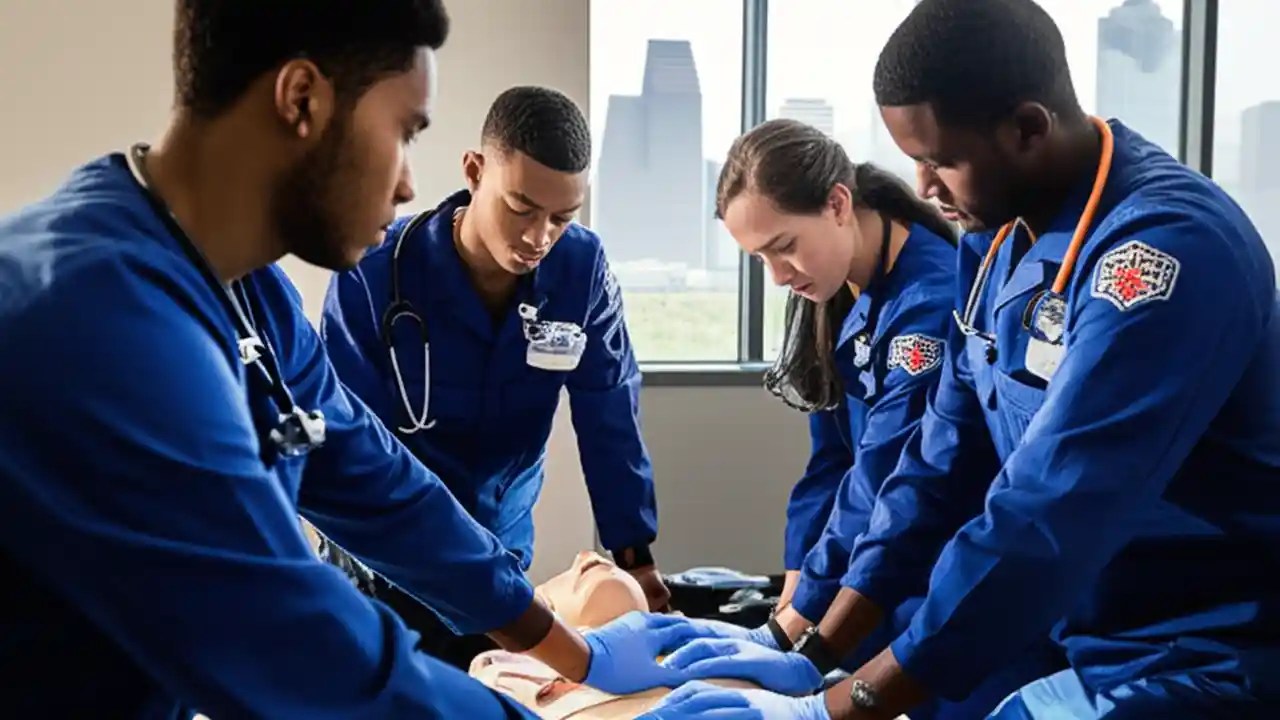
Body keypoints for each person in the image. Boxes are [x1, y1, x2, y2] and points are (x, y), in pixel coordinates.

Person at [0, 2, 706, 717]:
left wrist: (569, 649)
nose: (406, 185)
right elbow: (286, 639)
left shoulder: (250, 293)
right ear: (301, 98)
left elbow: (375, 481)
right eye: (403, 133)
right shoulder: (92, 316)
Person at [638, 0, 1280, 717]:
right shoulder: (994, 248)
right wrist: (809, 650)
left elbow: (1050, 507)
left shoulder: (1163, 253)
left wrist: (839, 705)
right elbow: (937, 465)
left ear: (1029, 128)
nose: (922, 190)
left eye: (939, 161)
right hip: (1082, 634)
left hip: (1209, 651)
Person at [700, 118, 1061, 719]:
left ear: (838, 203)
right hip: (884, 569)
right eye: (760, 258)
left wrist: (800, 631)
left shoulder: (930, 298)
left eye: (784, 246)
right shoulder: (838, 294)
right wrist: (788, 605)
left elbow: (888, 475)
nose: (778, 275)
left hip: (947, 579)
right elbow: (831, 463)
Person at [318, 84, 669, 666]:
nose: (539, 237)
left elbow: (610, 413)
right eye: (521, 208)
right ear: (476, 171)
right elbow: (348, 451)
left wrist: (635, 555)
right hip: (387, 558)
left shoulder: (580, 268)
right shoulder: (376, 275)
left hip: (499, 547)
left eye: (562, 217)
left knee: (493, 688)